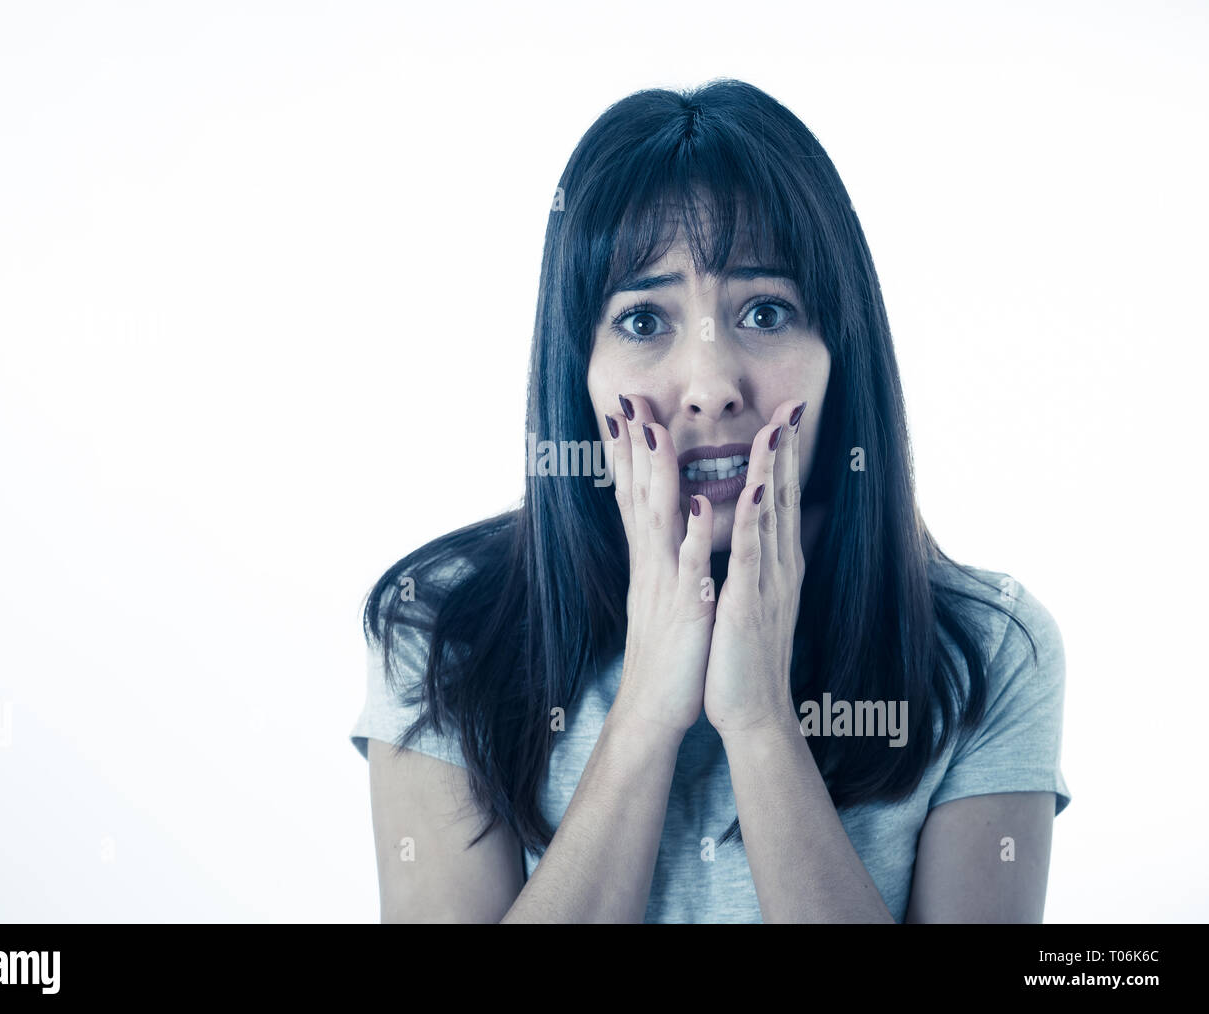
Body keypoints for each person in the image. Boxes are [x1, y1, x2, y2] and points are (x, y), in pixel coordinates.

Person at [351, 78, 1069, 923]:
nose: (712, 386)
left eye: (765, 311)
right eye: (645, 321)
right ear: (575, 372)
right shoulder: (441, 632)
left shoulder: (987, 653)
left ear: (841, 352)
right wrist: (647, 711)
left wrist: (761, 722)